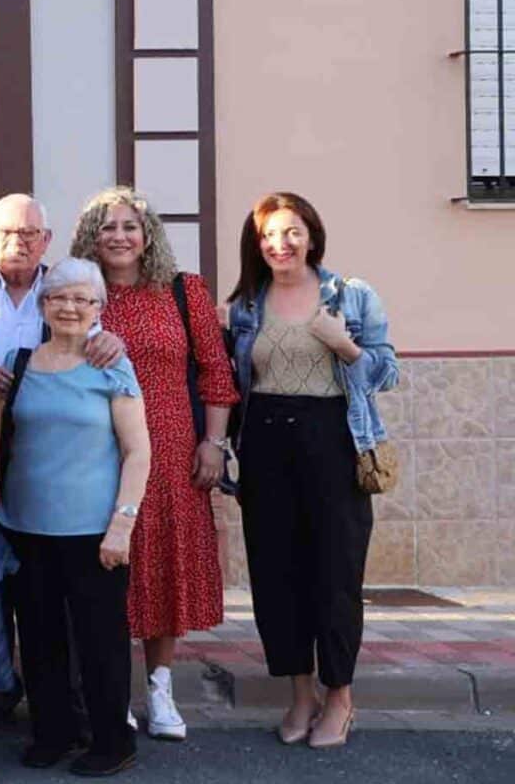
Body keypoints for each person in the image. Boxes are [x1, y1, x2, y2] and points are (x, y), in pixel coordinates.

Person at [225, 192, 397, 751]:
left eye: (292, 231)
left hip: (334, 442)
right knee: (277, 577)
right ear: (258, 244)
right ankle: (299, 694)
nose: (281, 244)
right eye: (270, 235)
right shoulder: (248, 303)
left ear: (312, 235)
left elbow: (386, 372)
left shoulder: (350, 295)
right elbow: (232, 381)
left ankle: (340, 698)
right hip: (266, 443)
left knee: (335, 576)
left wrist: (344, 345)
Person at [70, 185, 237, 742]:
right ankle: (112, 691)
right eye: (106, 227)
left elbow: (216, 371)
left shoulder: (182, 292)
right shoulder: (79, 292)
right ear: (90, 239)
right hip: (98, 451)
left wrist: (213, 443)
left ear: (147, 236)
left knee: (163, 568)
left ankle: (161, 689)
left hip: (170, 451)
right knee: (109, 569)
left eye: (128, 226)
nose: (118, 237)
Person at [0, 258, 152, 777]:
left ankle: (112, 740)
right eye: (59, 297)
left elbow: (138, 451)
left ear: (98, 310)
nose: (69, 307)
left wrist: (123, 525)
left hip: (95, 533)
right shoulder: (18, 365)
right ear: (43, 304)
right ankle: (52, 733)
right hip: (26, 527)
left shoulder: (111, 366)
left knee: (100, 642)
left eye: (83, 300)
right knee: (39, 638)